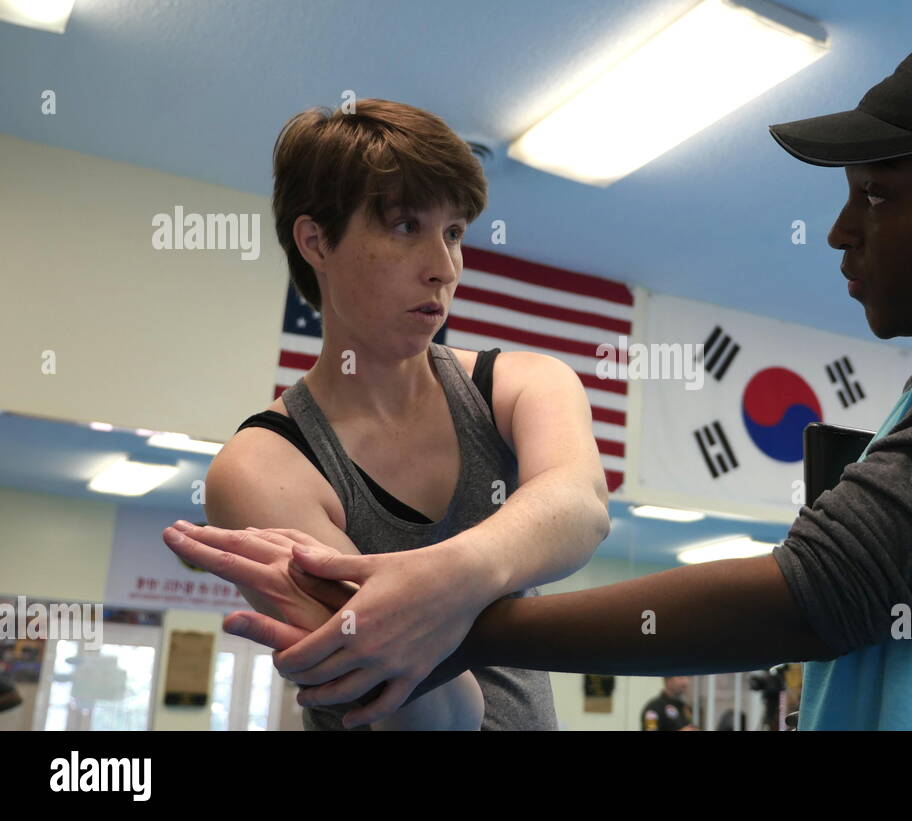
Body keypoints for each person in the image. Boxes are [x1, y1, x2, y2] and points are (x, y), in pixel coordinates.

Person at [175, 20, 912, 730]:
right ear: (313, 241)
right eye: (406, 228)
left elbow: (825, 589)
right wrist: (437, 614)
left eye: (876, 196)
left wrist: (444, 605)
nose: (836, 230)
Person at [162, 99, 610, 730]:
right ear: (316, 240)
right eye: (405, 226)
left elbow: (582, 509)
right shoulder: (261, 469)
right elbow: (438, 718)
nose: (445, 267)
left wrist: (446, 577)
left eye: (453, 232)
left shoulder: (522, 383)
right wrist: (485, 569)